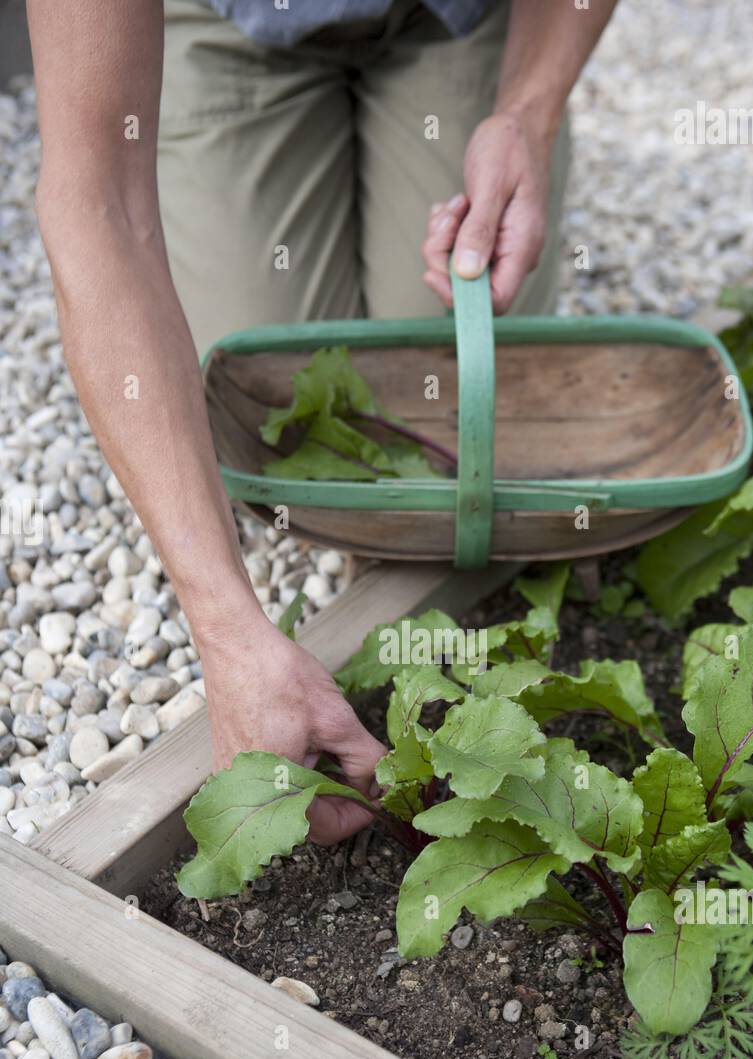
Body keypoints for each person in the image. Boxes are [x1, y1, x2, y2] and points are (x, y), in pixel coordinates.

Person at [27, 0, 618, 843]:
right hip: (238, 32)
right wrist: (227, 627)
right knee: (270, 405)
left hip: (453, 21)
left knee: (443, 410)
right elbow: (95, 205)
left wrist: (529, 111)